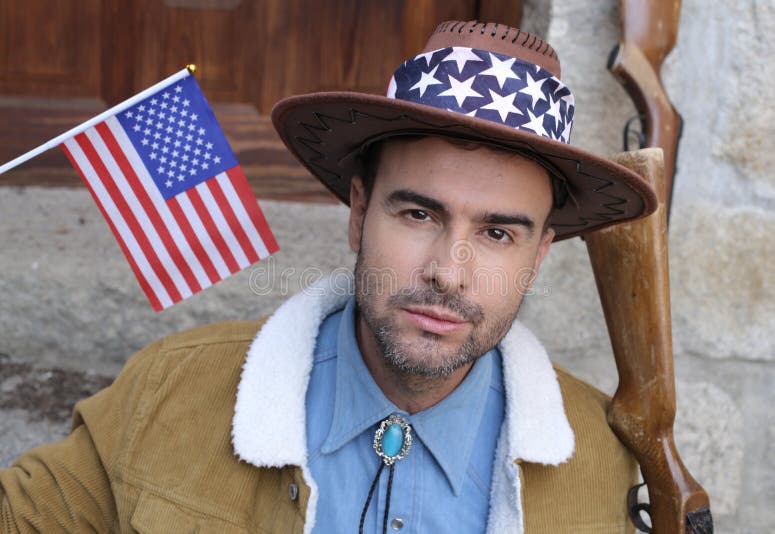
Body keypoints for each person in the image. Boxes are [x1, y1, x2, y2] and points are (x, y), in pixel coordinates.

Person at [0, 20, 657, 533]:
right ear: (360, 213)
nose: (446, 274)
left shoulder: (605, 461)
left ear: (538, 257)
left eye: (496, 233)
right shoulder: (170, 392)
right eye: (420, 213)